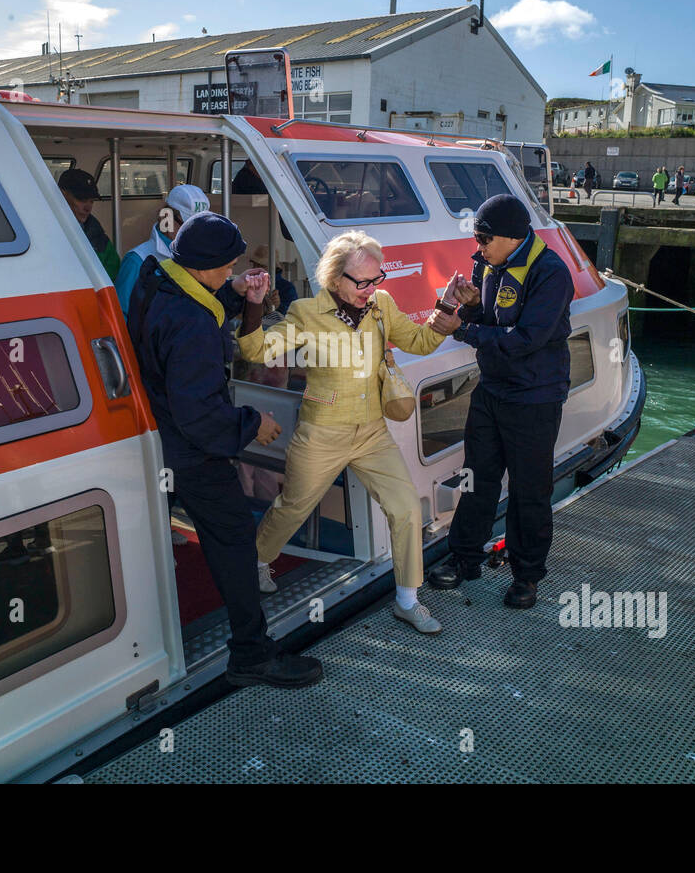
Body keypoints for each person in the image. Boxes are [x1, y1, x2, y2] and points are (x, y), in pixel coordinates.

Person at [126, 211, 323, 688]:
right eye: (229, 266)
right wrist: (253, 423)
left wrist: (231, 298)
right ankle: (252, 655)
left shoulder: (157, 279)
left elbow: (191, 314)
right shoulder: (192, 323)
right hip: (192, 451)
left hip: (158, 439)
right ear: (207, 264)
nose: (233, 271)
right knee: (234, 540)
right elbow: (199, 412)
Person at [238, 231, 449, 633]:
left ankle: (407, 600)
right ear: (335, 278)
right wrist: (252, 307)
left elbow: (420, 342)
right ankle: (259, 559)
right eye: (362, 282)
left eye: (376, 280)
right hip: (321, 433)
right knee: (293, 507)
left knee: (405, 508)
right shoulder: (305, 311)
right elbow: (256, 351)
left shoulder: (382, 305)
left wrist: (450, 311)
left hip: (373, 432)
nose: (371, 290)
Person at [426, 194, 574, 609]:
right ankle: (465, 558)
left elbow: (527, 339)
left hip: (535, 398)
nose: (478, 247)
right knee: (476, 478)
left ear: (512, 237)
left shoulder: (550, 272)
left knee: (530, 490)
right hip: (492, 391)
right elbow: (493, 322)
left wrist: (461, 330)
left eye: (484, 238)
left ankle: (526, 576)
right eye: (476, 237)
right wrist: (471, 307)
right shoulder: (488, 264)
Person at [115, 184, 210, 317]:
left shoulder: (204, 257)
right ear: (166, 217)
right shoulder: (136, 260)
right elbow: (120, 316)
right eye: (189, 226)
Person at [59, 168, 120, 281]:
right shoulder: (43, 232)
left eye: (91, 201)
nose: (88, 207)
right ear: (62, 195)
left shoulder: (98, 236)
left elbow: (115, 275)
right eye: (81, 199)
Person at [249, 244, 298, 316]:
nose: (256, 269)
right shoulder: (249, 285)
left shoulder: (287, 288)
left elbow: (293, 320)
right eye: (254, 264)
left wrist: (279, 306)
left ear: (273, 267)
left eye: (261, 266)